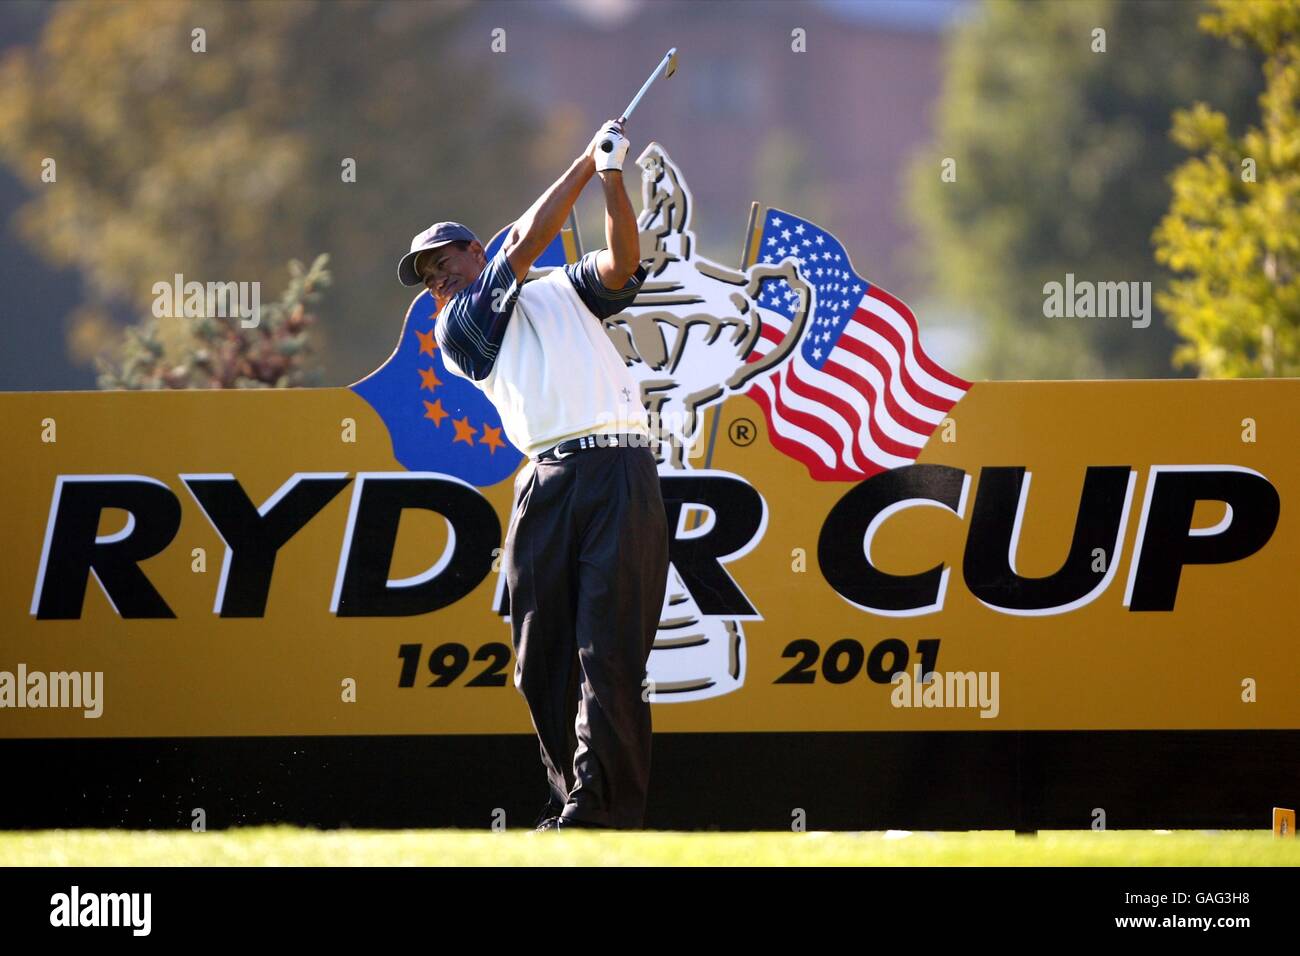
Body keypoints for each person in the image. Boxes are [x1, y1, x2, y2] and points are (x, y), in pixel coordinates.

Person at [396, 120, 671, 831]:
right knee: (538, 660)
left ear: (471, 249)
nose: (437, 276)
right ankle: (574, 798)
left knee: (607, 653)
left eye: (445, 259)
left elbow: (619, 264)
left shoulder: (557, 288)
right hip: (548, 477)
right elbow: (521, 245)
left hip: (619, 470)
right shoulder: (458, 328)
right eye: (428, 275)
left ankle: (598, 812)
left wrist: (612, 177)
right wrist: (586, 160)